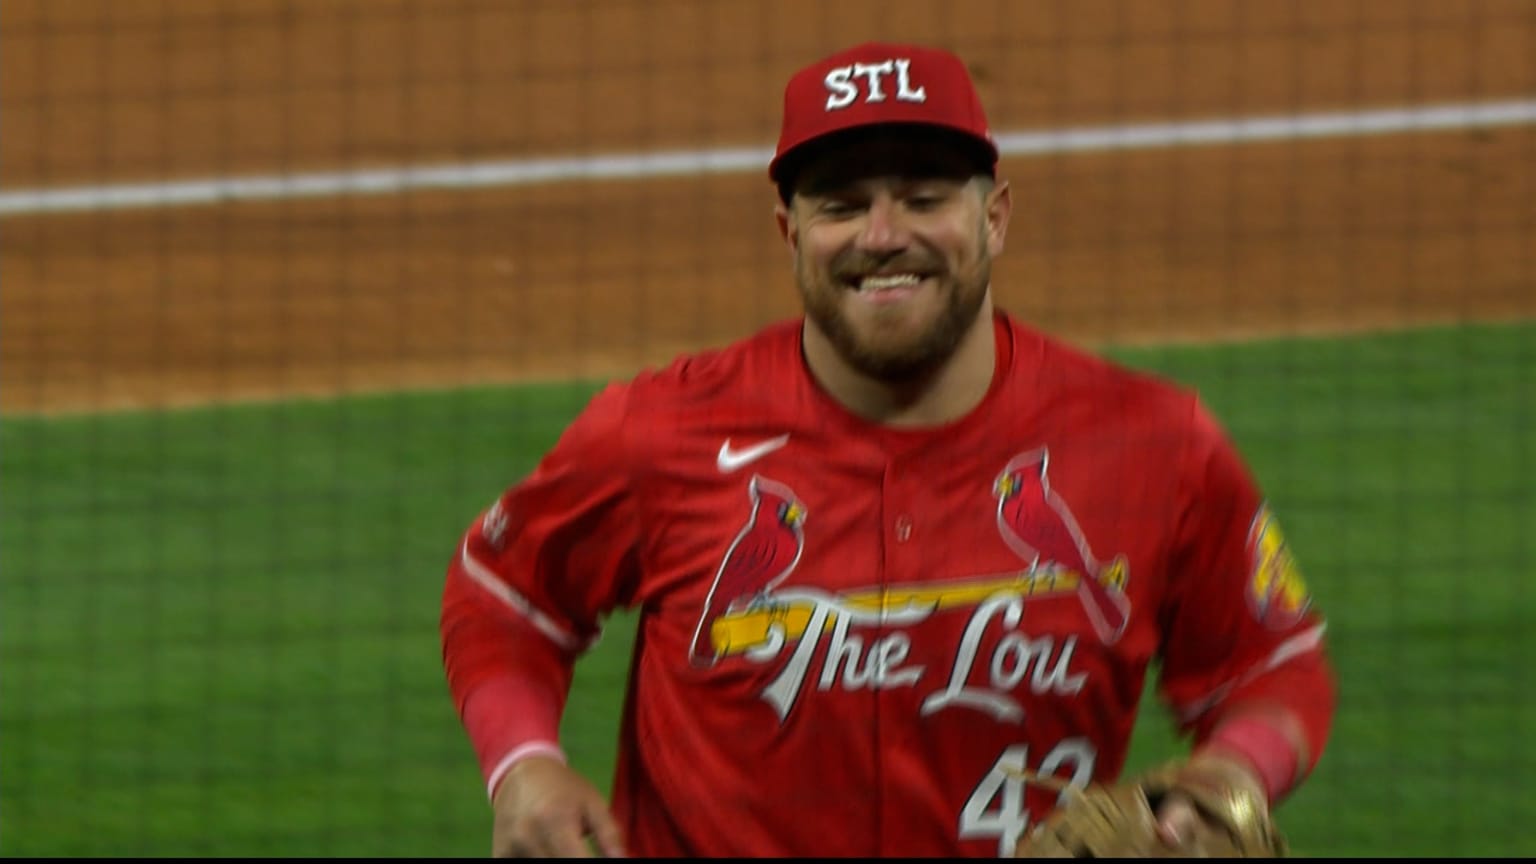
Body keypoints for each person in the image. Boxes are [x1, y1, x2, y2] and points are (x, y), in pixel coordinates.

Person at [439, 41, 1336, 858]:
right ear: (791, 233)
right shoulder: (663, 432)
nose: (882, 234)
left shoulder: (1154, 445)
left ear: (996, 219)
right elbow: (507, 594)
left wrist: (1232, 775)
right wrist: (524, 769)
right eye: (841, 205)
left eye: (923, 197)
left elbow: (1271, 665)